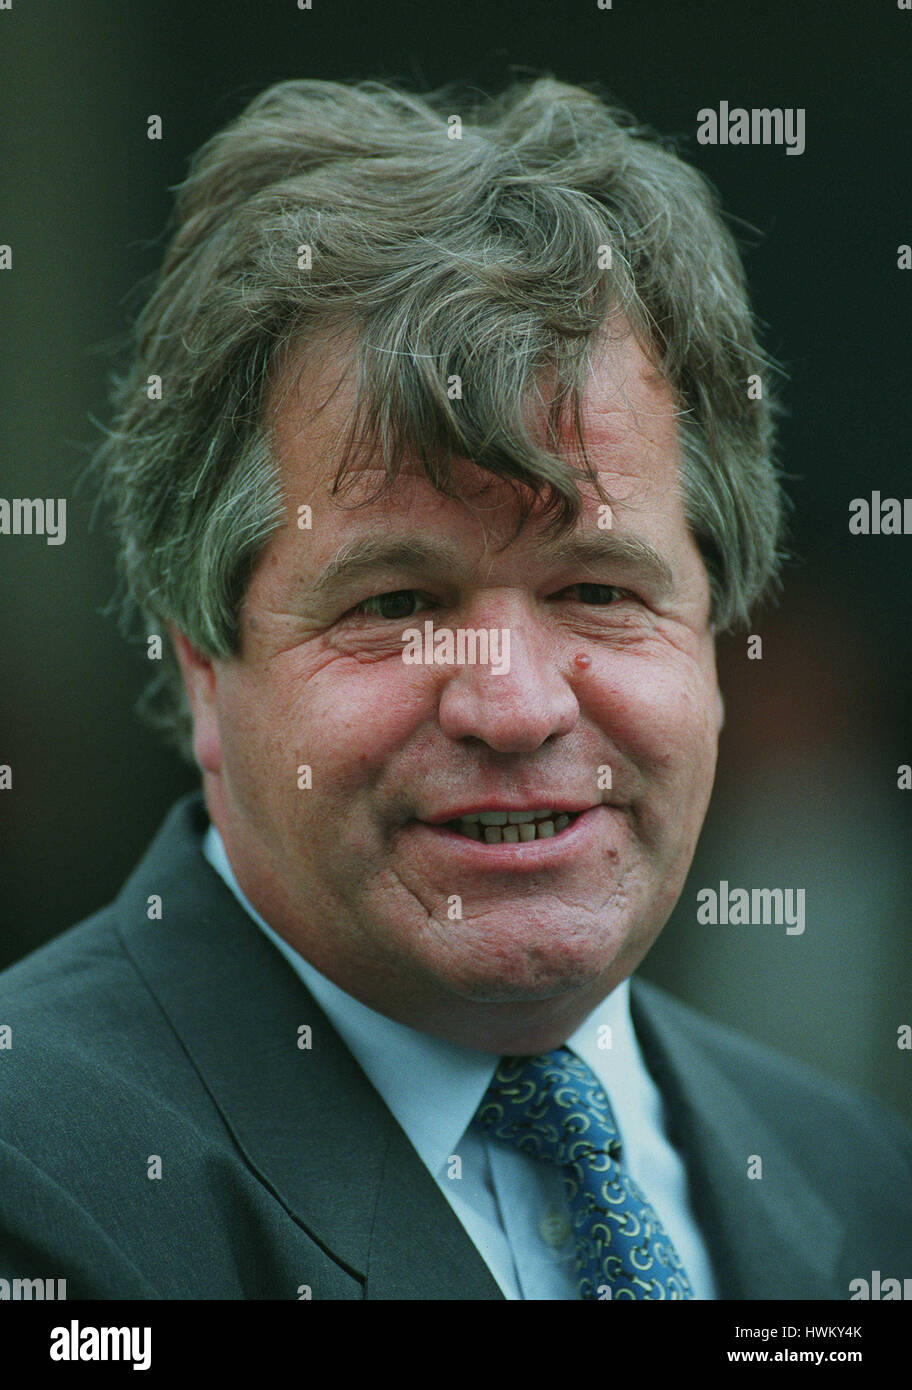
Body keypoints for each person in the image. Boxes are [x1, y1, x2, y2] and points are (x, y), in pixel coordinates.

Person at [1, 76, 909, 1302]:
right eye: (397, 604)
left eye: (597, 589)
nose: (517, 705)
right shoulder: (44, 1194)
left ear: (717, 625)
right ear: (204, 665)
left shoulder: (861, 1182)